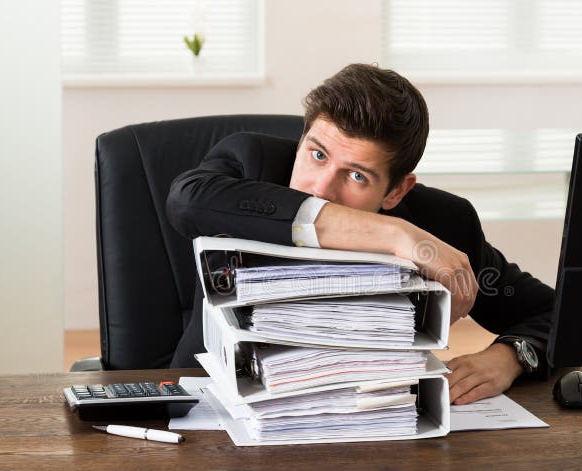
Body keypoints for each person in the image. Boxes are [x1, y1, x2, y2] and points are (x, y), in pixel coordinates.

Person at [166, 63, 555, 405]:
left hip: (373, 421)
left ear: (397, 191)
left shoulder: (444, 222)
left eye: (356, 176)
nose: (320, 189)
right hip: (210, 407)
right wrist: (394, 234)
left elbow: (558, 312)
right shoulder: (250, 163)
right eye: (317, 154)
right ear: (301, 142)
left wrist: (511, 356)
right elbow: (186, 202)